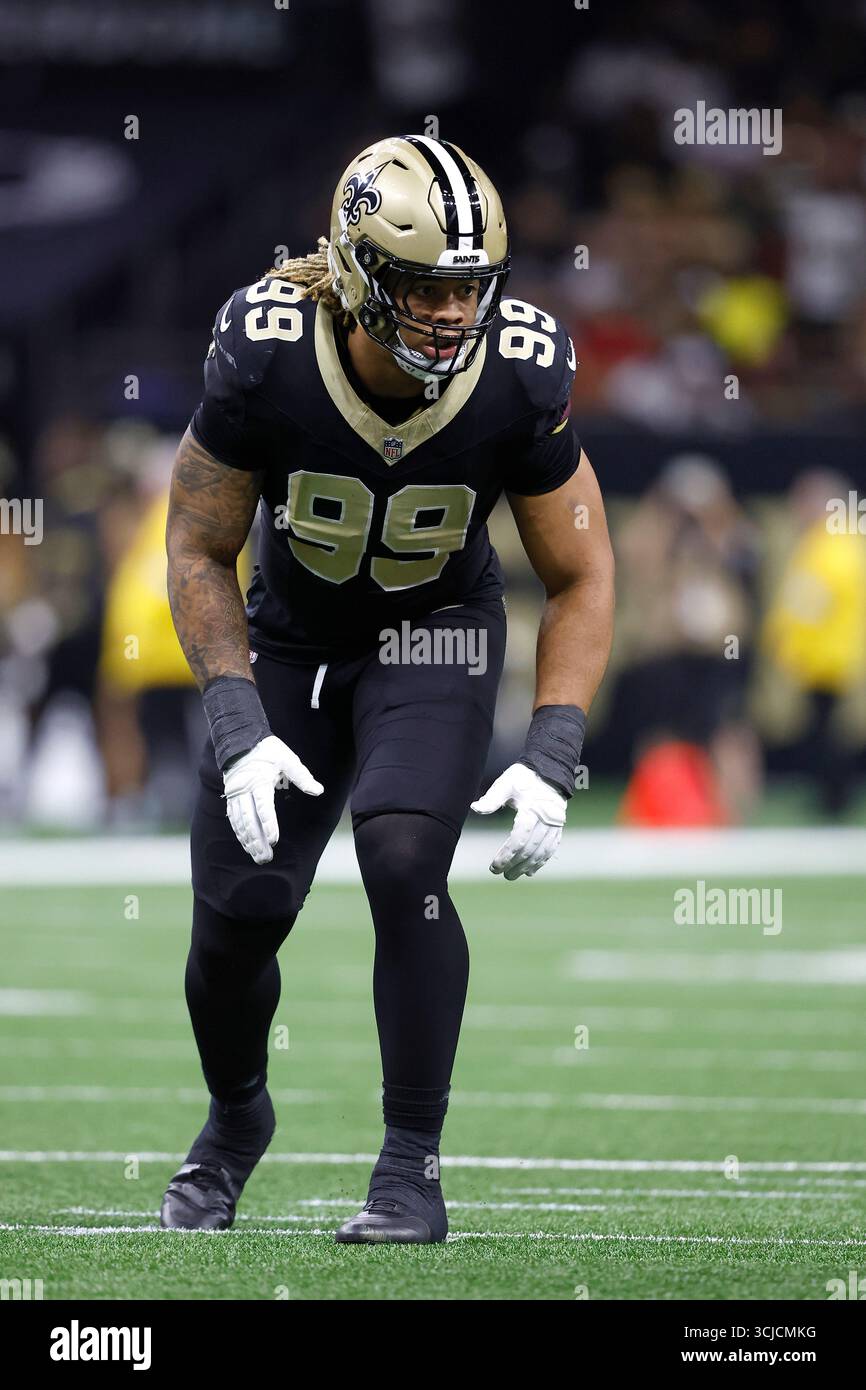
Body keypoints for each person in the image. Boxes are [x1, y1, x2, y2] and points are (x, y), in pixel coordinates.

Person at [162, 134, 615, 1243]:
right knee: (238, 919)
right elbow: (195, 545)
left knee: (407, 860)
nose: (455, 314)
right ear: (359, 272)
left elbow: (581, 569)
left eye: (470, 286)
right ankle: (235, 1118)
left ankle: (410, 1168)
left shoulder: (518, 370)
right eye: (426, 287)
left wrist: (554, 747)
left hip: (434, 635)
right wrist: (234, 715)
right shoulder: (265, 348)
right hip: (288, 639)